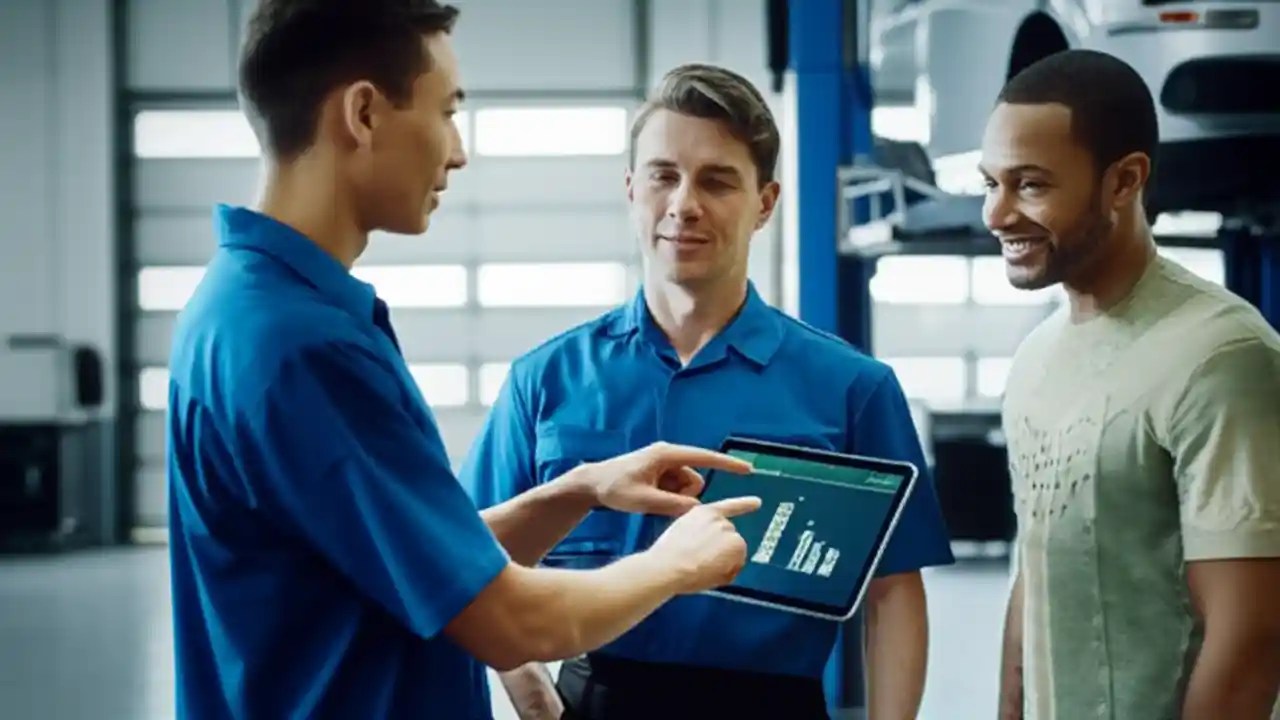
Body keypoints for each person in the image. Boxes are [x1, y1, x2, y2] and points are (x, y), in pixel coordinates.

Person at [164, 3, 766, 718]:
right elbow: (511, 621)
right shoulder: (305, 347)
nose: (457, 150)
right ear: (363, 113)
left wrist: (577, 491)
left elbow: (414, 563)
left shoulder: (241, 303)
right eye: (447, 112)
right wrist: (673, 565)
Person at [459, 63, 955, 720]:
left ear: (765, 203)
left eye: (717, 180)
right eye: (663, 175)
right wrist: (536, 702)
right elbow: (467, 563)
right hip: (595, 697)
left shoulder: (852, 389)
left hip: (772, 704)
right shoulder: (545, 381)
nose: (684, 203)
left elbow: (894, 590)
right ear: (631, 189)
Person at [983, 49, 1280, 720]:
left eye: (1029, 185)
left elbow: (1252, 637)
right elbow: (1034, 578)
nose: (995, 214)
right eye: (990, 182)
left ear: (1124, 182)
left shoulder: (1220, 356)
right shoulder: (1035, 359)